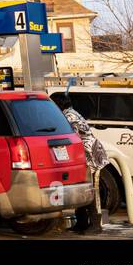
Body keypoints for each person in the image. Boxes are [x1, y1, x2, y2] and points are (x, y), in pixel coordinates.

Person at [54, 90, 108, 234]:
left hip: (89, 156)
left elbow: (71, 138)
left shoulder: (69, 116)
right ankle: (82, 222)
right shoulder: (69, 113)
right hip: (84, 155)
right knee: (82, 188)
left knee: (90, 189)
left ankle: (96, 225)